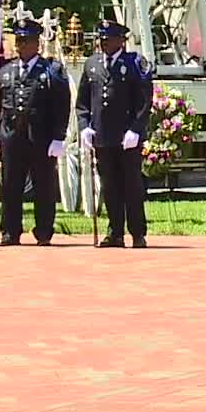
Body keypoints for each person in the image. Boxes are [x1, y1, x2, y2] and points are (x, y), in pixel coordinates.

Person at [0, 19, 71, 246]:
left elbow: (62, 105)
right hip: (11, 137)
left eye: (27, 41)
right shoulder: (4, 70)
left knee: (43, 187)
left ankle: (43, 231)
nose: (22, 46)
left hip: (40, 137)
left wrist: (59, 137)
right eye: (19, 40)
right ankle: (10, 231)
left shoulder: (51, 71)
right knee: (11, 185)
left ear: (37, 43)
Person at [76, 19, 153, 248]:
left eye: (108, 39)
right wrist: (84, 127)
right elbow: (83, 102)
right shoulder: (92, 64)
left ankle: (137, 233)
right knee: (109, 186)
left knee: (131, 185)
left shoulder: (135, 63)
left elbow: (144, 101)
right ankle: (115, 231)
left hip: (127, 138)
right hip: (103, 136)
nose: (103, 42)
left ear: (121, 40)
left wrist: (136, 130)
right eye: (101, 39)